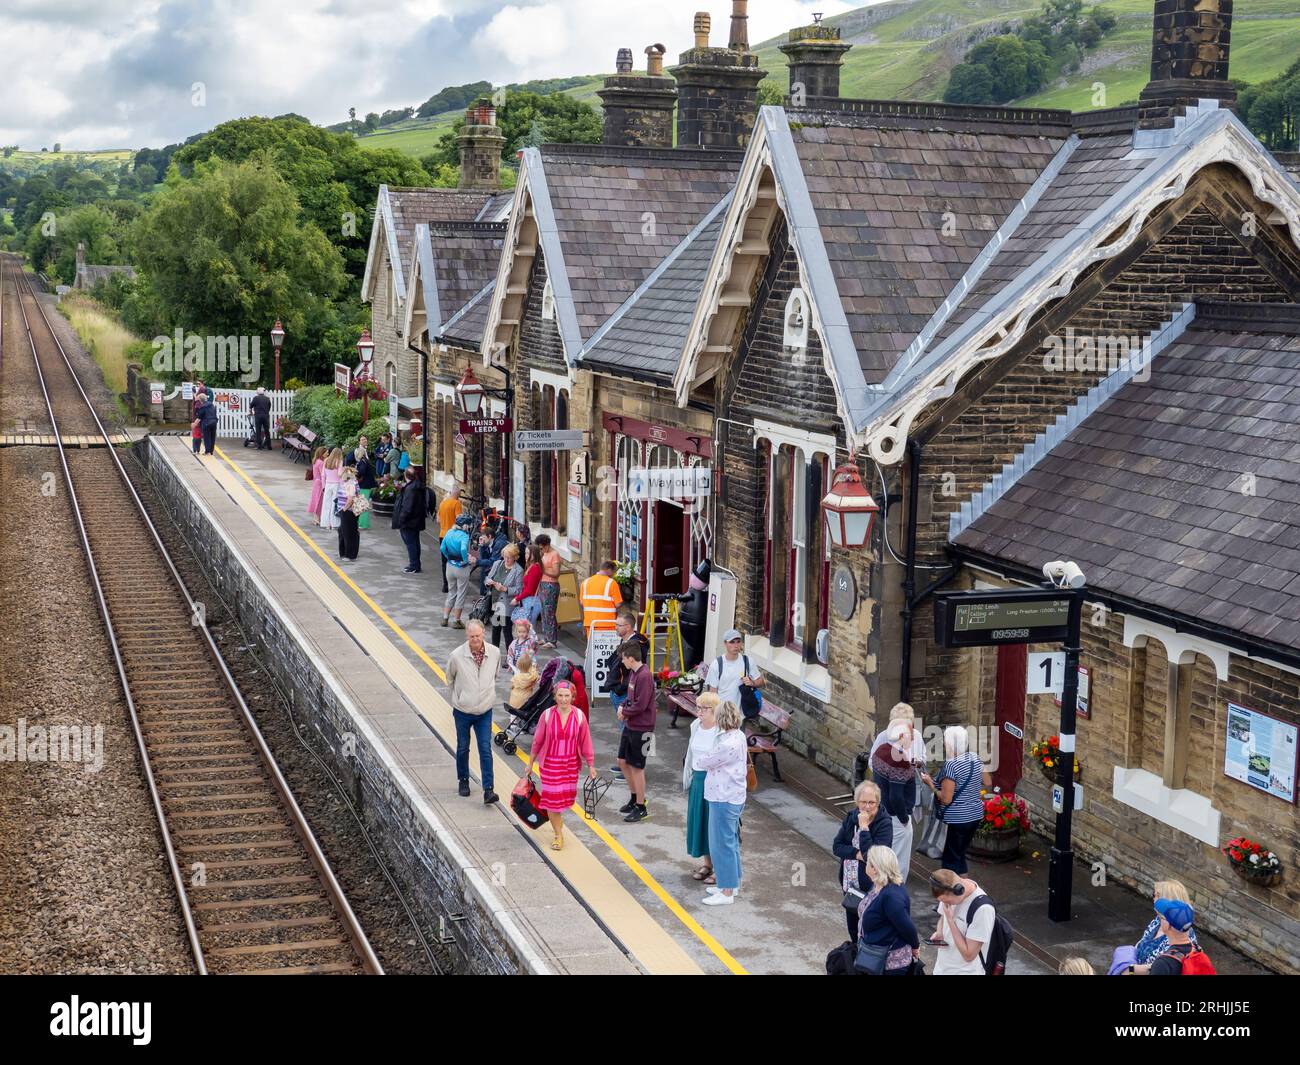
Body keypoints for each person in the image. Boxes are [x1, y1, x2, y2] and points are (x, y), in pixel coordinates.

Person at [524, 680, 596, 852]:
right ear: (555, 696)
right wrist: (530, 762)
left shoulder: (579, 716)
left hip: (570, 765)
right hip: (549, 764)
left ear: (572, 697)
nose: (563, 699)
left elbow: (586, 742)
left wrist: (591, 765)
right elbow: (538, 741)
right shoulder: (547, 715)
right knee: (551, 802)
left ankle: (557, 823)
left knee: (562, 801)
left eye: (567, 696)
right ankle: (558, 834)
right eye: (560, 696)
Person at [696, 699, 747, 906]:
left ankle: (726, 892)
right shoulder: (739, 736)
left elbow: (703, 761)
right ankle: (731, 883)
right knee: (731, 842)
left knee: (721, 844)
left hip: (722, 797)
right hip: (733, 796)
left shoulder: (726, 744)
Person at [920, 725, 991, 874]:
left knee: (950, 859)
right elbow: (988, 782)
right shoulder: (975, 757)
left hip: (957, 819)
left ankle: (951, 892)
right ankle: (965, 891)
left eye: (945, 741)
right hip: (975, 815)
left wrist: (931, 785)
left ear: (949, 744)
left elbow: (946, 799)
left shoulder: (951, 766)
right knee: (959, 855)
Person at [445, 620, 500, 805]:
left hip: (485, 710)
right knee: (463, 747)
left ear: (483, 633)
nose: (475, 639)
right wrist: (460, 697)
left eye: (478, 635)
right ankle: (463, 780)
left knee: (485, 748)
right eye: (471, 636)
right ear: (467, 636)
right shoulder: (456, 656)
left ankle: (488, 789)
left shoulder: (495, 653)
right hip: (462, 710)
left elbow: (495, 675)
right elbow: (450, 678)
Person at [833, 780, 894, 939]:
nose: (867, 807)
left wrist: (864, 828)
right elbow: (837, 847)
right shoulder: (851, 817)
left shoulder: (885, 824)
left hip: (871, 888)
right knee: (853, 931)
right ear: (857, 802)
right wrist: (857, 854)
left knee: (868, 933)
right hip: (850, 885)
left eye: (871, 803)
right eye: (863, 802)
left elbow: (873, 858)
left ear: (878, 802)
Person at [857, 846, 921, 975]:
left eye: (868, 862)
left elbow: (908, 928)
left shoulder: (891, 897)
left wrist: (915, 946)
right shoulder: (879, 884)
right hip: (875, 955)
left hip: (890, 963)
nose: (865, 864)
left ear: (875, 868)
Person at [872, 723, 920, 882]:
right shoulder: (900, 761)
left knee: (883, 858)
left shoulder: (881, 750)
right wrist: (905, 819)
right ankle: (894, 895)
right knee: (898, 864)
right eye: (910, 735)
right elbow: (896, 796)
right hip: (897, 818)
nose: (913, 739)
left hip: (882, 812)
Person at [615, 639, 655, 823]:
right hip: (632, 725)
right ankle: (633, 798)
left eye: (624, 659)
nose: (622, 662)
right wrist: (623, 706)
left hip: (643, 728)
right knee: (622, 761)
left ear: (631, 659)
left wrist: (625, 712)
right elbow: (630, 698)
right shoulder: (634, 673)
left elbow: (641, 704)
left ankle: (641, 806)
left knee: (638, 767)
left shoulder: (645, 676)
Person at [928, 868, 995, 976]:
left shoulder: (983, 909)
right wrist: (940, 932)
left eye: (947, 902)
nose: (945, 904)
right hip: (942, 969)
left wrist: (950, 921)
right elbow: (942, 917)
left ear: (959, 890)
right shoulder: (947, 890)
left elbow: (969, 955)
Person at [683, 692, 720, 884]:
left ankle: (719, 869)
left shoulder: (721, 731)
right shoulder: (695, 726)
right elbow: (691, 753)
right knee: (699, 823)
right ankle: (708, 864)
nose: (699, 712)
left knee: (713, 825)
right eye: (698, 707)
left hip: (713, 780)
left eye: (703, 708)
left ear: (713, 710)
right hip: (698, 779)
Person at [1128, 880, 1201, 972]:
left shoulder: (1181, 934)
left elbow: (1164, 967)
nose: (1153, 898)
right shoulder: (1158, 921)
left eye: (1156, 895)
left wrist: (1130, 970)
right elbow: (1142, 942)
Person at [704, 629, 765, 712]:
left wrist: (752, 683)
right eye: (732, 642)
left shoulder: (747, 661)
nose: (736, 645)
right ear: (725, 643)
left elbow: (761, 682)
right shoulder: (717, 664)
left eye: (738, 641)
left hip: (741, 715)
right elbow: (712, 693)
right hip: (723, 713)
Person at [1146, 900, 1209, 975]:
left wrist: (1130, 971)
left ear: (1168, 925)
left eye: (1161, 918)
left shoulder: (1163, 963)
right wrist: (1133, 968)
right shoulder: (1196, 949)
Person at [485, 543, 524, 649]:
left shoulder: (518, 570)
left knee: (507, 632)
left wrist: (505, 589)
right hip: (494, 600)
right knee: (495, 630)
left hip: (506, 604)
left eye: (509, 557)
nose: (506, 559)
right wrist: (489, 582)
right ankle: (495, 654)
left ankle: (510, 658)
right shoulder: (498, 563)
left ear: (515, 557)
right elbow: (488, 577)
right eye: (505, 556)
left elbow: (519, 590)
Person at [441, 514, 474, 628]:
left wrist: (448, 557)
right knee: (461, 593)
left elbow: (442, 548)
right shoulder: (464, 536)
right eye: (469, 525)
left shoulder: (449, 532)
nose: (469, 527)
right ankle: (456, 620)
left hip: (449, 566)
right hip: (461, 568)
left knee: (451, 592)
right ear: (465, 525)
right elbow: (464, 548)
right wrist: (465, 560)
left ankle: (445, 618)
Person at [391, 467, 426, 573]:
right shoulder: (417, 486)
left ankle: (414, 565)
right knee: (415, 542)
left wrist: (401, 520)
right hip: (416, 520)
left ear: (406, 475)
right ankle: (416, 564)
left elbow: (407, 507)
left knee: (410, 543)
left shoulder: (411, 489)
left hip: (409, 521)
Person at [579, 560, 623, 635]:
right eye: (613, 572)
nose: (613, 575)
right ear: (609, 570)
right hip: (607, 624)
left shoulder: (585, 582)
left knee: (592, 646)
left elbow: (582, 602)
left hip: (590, 623)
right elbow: (618, 604)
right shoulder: (612, 583)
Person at [535, 534, 561, 648]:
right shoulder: (545, 553)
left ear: (547, 545)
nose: (541, 549)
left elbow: (556, 573)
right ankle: (546, 637)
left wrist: (543, 569)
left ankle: (552, 640)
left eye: (541, 547)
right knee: (544, 612)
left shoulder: (554, 554)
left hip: (550, 585)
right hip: (543, 584)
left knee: (549, 612)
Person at [437, 485, 463, 594]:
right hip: (453, 536)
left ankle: (445, 585)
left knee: (444, 562)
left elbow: (438, 519)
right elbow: (459, 520)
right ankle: (455, 586)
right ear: (457, 495)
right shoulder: (457, 504)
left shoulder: (443, 503)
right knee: (455, 561)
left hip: (442, 535)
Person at [475, 520, 509, 596]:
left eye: (483, 538)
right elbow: (484, 558)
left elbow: (493, 561)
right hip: (495, 566)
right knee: (483, 568)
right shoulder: (488, 542)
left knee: (484, 570)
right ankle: (483, 596)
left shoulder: (499, 544)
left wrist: (477, 561)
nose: (482, 540)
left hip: (503, 568)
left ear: (489, 536)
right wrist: (482, 546)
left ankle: (484, 596)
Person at [512, 543, 543, 625]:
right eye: (525, 553)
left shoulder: (535, 568)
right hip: (528, 599)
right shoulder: (531, 566)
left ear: (534, 554)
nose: (526, 555)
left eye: (528, 553)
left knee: (528, 629)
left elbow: (529, 590)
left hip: (532, 600)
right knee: (525, 629)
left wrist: (517, 598)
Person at [336, 466, 361, 562]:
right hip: (348, 511)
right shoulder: (349, 483)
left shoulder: (350, 484)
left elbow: (350, 499)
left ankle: (349, 554)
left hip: (348, 512)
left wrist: (344, 509)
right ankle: (346, 552)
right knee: (345, 531)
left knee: (348, 532)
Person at [507, 652, 540, 722]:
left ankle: (512, 726)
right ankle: (520, 727)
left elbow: (512, 685)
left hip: (514, 700)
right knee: (522, 715)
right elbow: (535, 674)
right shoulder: (531, 677)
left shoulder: (517, 676)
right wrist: (533, 666)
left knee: (513, 714)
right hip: (525, 699)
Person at [352, 438, 376, 531]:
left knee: (363, 504)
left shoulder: (362, 462)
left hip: (364, 485)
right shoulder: (365, 461)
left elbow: (361, 472)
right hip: (367, 485)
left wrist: (353, 472)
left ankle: (363, 523)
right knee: (363, 504)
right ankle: (362, 523)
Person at [321, 448, 344, 531]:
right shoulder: (339, 461)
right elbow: (339, 474)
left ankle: (325, 523)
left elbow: (323, 475)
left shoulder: (326, 460)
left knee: (326, 503)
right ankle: (334, 524)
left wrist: (323, 486)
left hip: (327, 484)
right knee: (335, 504)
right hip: (336, 484)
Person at [307, 445, 327, 525]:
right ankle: (318, 519)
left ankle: (316, 518)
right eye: (326, 453)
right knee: (320, 500)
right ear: (322, 453)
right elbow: (323, 474)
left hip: (315, 482)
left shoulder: (315, 460)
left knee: (315, 499)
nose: (327, 454)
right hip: (320, 483)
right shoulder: (321, 463)